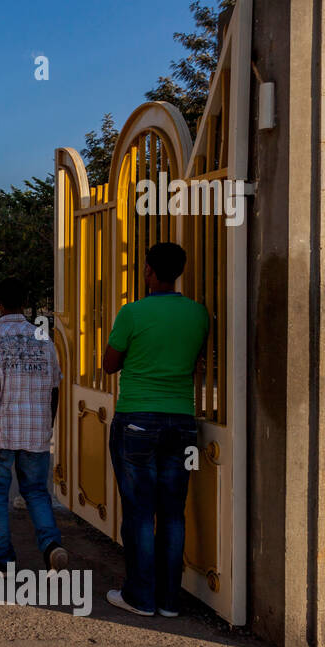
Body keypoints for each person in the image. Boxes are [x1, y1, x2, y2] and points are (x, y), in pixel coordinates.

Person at [102, 242, 209, 618]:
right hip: (182, 421)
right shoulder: (199, 314)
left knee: (139, 512)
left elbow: (109, 365)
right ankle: (169, 600)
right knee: (173, 512)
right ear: (178, 271)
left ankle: (140, 597)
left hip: (137, 419)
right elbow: (196, 361)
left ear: (148, 270)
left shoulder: (132, 313)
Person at [0, 277, 65, 574]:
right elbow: (54, 388)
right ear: (24, 303)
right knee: (36, 492)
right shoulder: (42, 339)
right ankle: (51, 545)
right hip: (36, 431)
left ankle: (3, 558)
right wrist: (48, 423)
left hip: (2, 432)